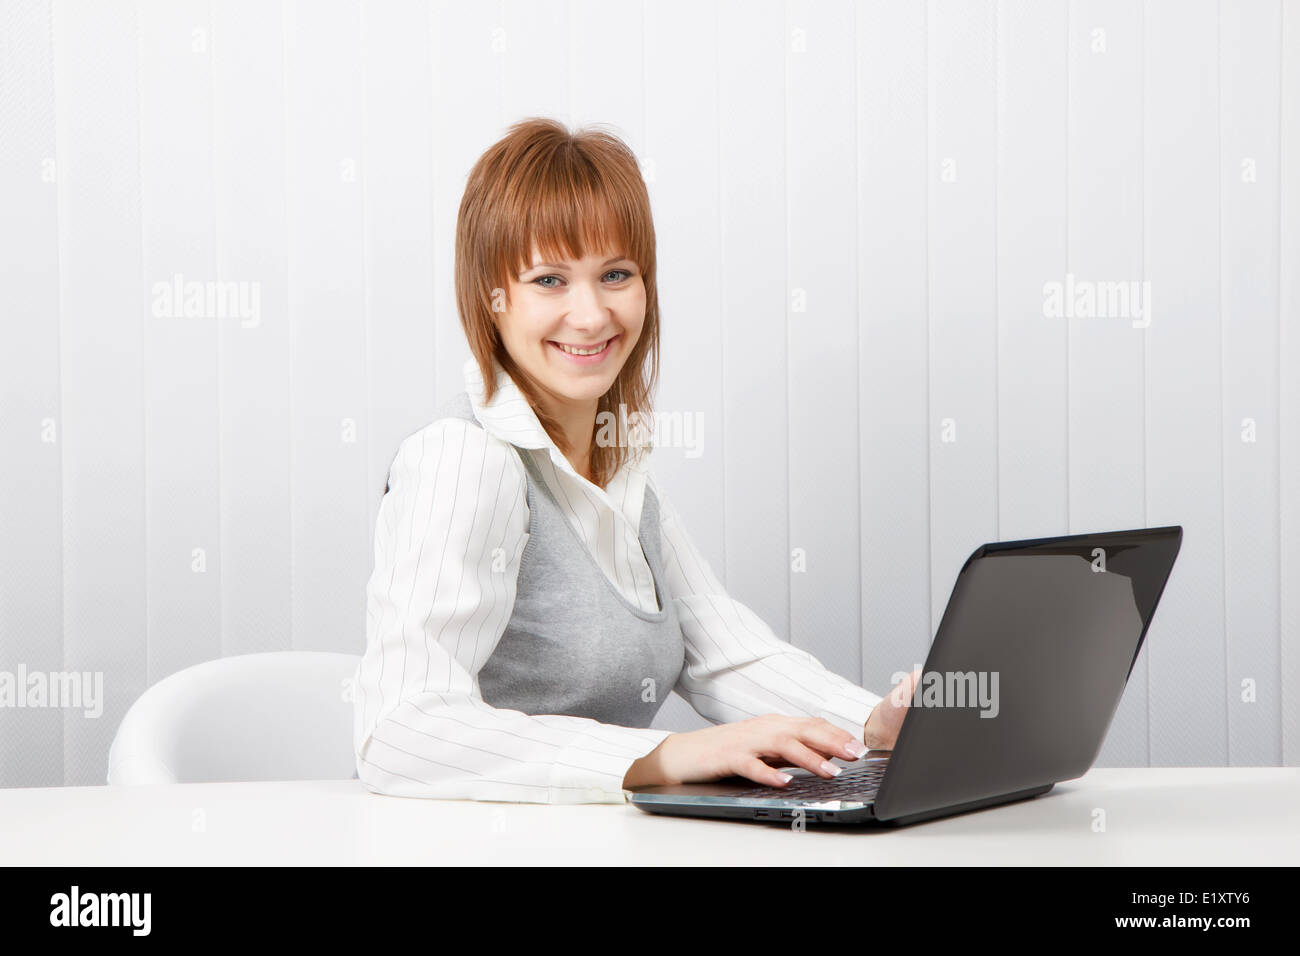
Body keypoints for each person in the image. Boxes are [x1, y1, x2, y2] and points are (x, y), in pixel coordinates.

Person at [352, 117, 918, 804]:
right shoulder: (466, 460)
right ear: (491, 301)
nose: (591, 316)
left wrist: (872, 723)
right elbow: (400, 731)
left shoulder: (622, 481)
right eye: (550, 280)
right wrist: (665, 756)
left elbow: (726, 655)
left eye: (615, 274)